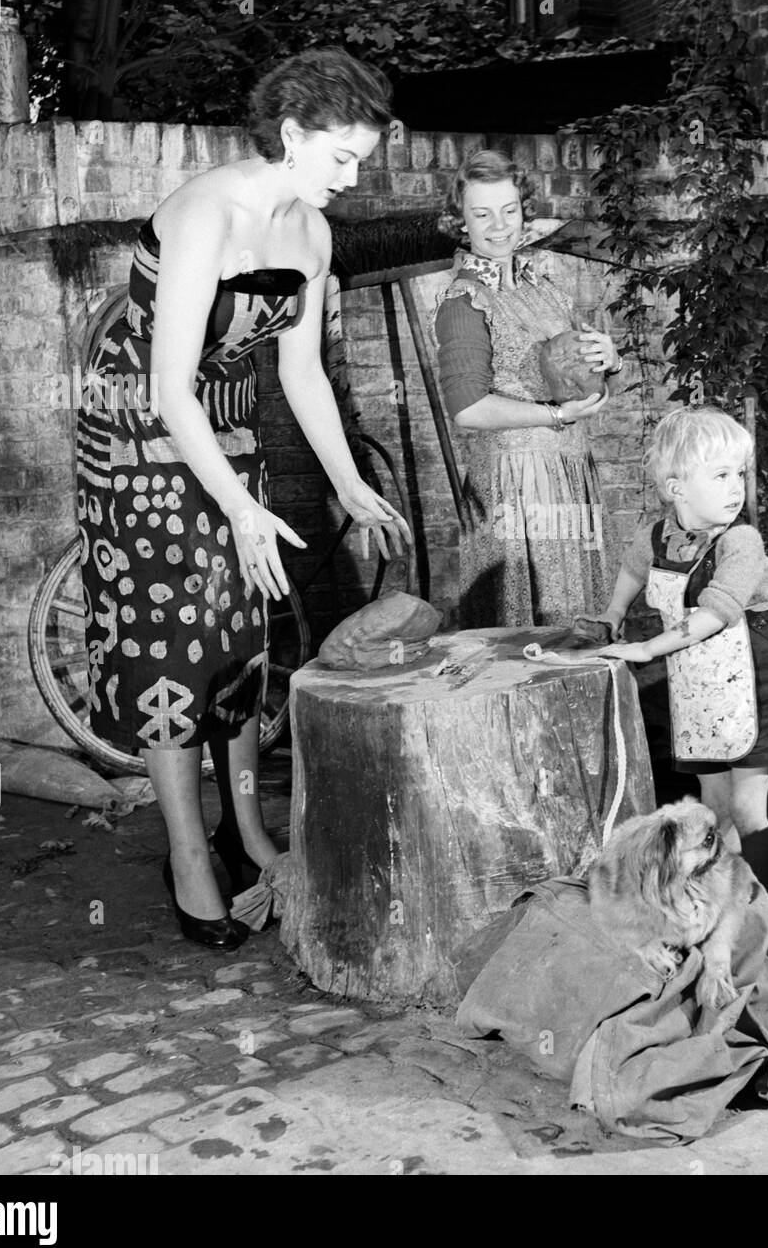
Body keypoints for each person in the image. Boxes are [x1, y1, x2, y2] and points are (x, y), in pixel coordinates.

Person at [75, 48, 412, 949]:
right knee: (170, 642)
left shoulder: (310, 231)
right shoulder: (206, 213)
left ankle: (247, 827)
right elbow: (166, 388)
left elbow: (300, 374)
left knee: (241, 630)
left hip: (227, 418)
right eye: (340, 158)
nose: (350, 179)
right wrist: (233, 504)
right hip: (144, 430)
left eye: (360, 163)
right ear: (292, 134)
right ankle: (188, 853)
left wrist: (350, 482)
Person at [597, 407, 768, 908]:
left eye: (740, 474)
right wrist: (613, 613)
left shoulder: (741, 542)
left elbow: (715, 614)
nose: (737, 488)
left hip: (753, 692)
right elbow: (633, 568)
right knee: (713, 810)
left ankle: (765, 914)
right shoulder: (657, 537)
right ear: (676, 489)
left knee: (747, 807)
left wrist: (647, 648)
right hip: (697, 695)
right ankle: (722, 904)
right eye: (721, 476)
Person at [434, 149, 623, 628]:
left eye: (509, 210)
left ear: (524, 211)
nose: (498, 226)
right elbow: (468, 409)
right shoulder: (464, 300)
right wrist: (556, 417)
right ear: (460, 221)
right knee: (523, 630)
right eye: (481, 214)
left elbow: (583, 385)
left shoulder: (545, 287)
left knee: (582, 619)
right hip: (512, 486)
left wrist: (608, 361)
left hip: (572, 473)